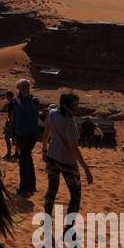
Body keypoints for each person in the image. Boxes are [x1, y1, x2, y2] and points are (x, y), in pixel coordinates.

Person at [42, 92, 92, 226]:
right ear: (65, 105)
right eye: (74, 105)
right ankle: (69, 229)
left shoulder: (52, 113)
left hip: (52, 157)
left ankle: (45, 219)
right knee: (75, 195)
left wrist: (44, 150)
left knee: (51, 189)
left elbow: (46, 132)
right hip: (67, 162)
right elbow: (74, 149)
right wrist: (87, 170)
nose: (77, 108)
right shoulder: (70, 123)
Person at [12, 79, 40, 197]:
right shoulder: (16, 100)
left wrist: (27, 98)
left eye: (27, 86)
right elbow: (15, 118)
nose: (26, 88)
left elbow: (32, 112)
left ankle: (24, 186)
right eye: (23, 87)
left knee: (24, 159)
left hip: (31, 134)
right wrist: (14, 134)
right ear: (19, 88)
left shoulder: (34, 100)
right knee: (26, 158)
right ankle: (31, 185)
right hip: (20, 134)